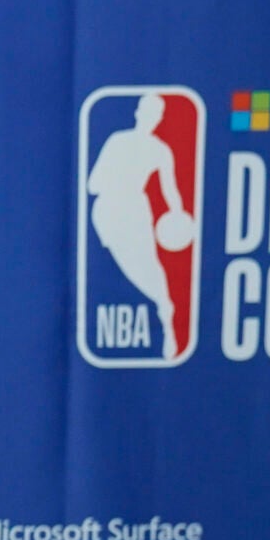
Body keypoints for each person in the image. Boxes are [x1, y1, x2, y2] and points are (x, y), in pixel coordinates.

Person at [87, 93, 191, 358]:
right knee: (119, 266)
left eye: (156, 114)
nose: (151, 118)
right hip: (107, 213)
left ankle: (167, 320)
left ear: (159, 119)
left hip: (136, 211)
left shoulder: (160, 150)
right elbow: (92, 184)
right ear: (138, 113)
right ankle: (161, 306)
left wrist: (177, 214)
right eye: (147, 112)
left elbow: (171, 190)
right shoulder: (117, 141)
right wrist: (114, 181)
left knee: (150, 266)